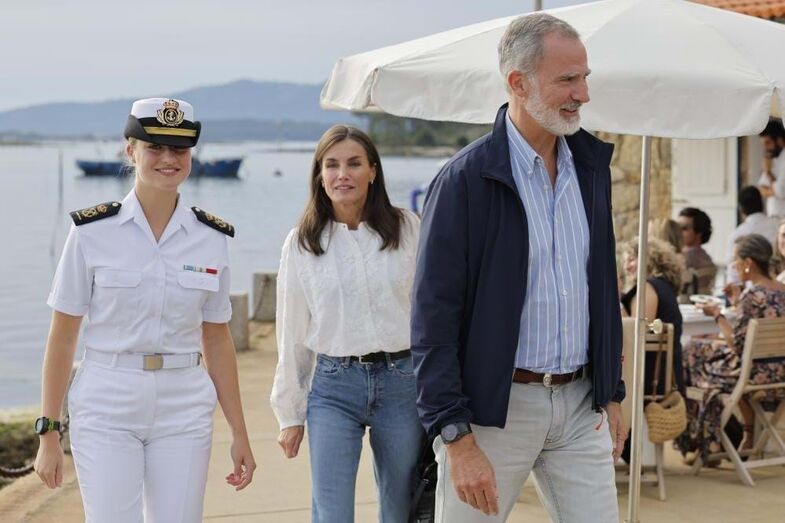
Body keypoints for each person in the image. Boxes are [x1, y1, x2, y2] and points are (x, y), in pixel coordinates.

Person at [411, 13, 625, 522]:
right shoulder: (464, 181)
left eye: (585, 77)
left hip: (580, 407)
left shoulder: (593, 171)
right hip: (491, 414)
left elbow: (602, 284)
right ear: (518, 83)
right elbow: (432, 319)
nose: (583, 94)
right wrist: (455, 438)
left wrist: (611, 393)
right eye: (568, 80)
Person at [33, 98, 256, 521]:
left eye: (180, 149)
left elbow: (217, 337)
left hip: (184, 403)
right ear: (130, 150)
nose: (169, 159)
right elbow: (62, 337)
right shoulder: (91, 233)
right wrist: (48, 431)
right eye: (154, 147)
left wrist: (239, 433)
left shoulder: (211, 238)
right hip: (107, 400)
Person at [270, 125, 422, 522]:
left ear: (373, 170)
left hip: (403, 382)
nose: (343, 174)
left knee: (401, 507)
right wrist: (290, 414)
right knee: (331, 511)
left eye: (354, 164)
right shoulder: (302, 242)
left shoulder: (408, 229)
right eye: (332, 165)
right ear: (319, 174)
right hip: (334, 387)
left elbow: (431, 313)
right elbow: (291, 332)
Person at [676, 234, 785, 459]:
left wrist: (717, 315)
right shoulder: (781, 290)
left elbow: (737, 345)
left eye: (736, 259)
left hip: (752, 375)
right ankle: (736, 434)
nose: (734, 264)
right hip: (779, 371)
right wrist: (737, 302)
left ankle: (704, 439)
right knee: (700, 350)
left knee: (691, 354)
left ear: (748, 263)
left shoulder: (753, 295)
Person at [620, 237, 685, 394]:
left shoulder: (648, 287)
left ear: (648, 259)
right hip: (670, 372)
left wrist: (616, 302)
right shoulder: (663, 286)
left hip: (651, 378)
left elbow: (636, 332)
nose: (626, 267)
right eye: (624, 261)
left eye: (631, 260)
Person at [726, 186, 779, 282]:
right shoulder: (778, 226)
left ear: (741, 208)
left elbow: (732, 272)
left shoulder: (737, 234)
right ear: (762, 204)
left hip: (748, 286)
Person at [677, 207, 717, 295]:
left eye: (684, 228)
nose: (678, 231)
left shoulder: (685, 258)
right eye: (677, 227)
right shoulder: (706, 257)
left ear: (699, 232)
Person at [756, 119, 785, 217]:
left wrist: (768, 172)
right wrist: (774, 191)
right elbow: (761, 190)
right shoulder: (772, 158)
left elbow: (781, 191)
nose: (766, 148)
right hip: (774, 217)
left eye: (768, 143)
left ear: (779, 140)